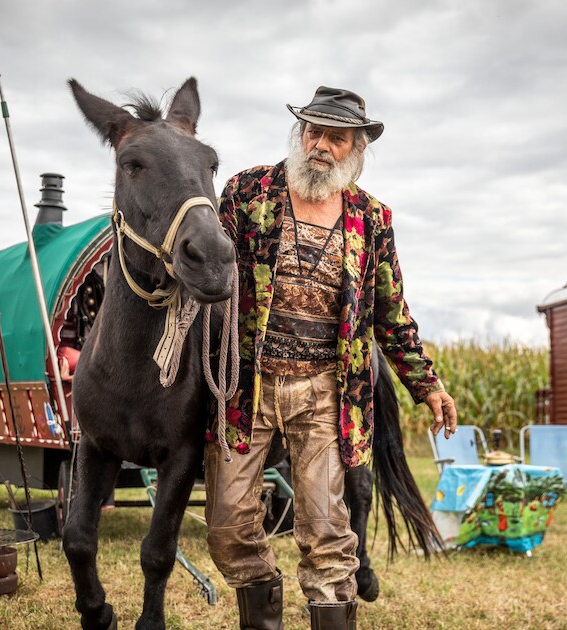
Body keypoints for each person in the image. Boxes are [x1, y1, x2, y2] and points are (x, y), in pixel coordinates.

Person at [206, 86, 458, 630]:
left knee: (327, 531)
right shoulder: (247, 193)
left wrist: (427, 385)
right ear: (300, 134)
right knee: (227, 526)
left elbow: (390, 312)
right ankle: (261, 605)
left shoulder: (371, 218)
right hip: (245, 386)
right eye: (312, 132)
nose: (320, 145)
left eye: (335, 138)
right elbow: (205, 276)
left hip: (326, 391)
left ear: (356, 148)